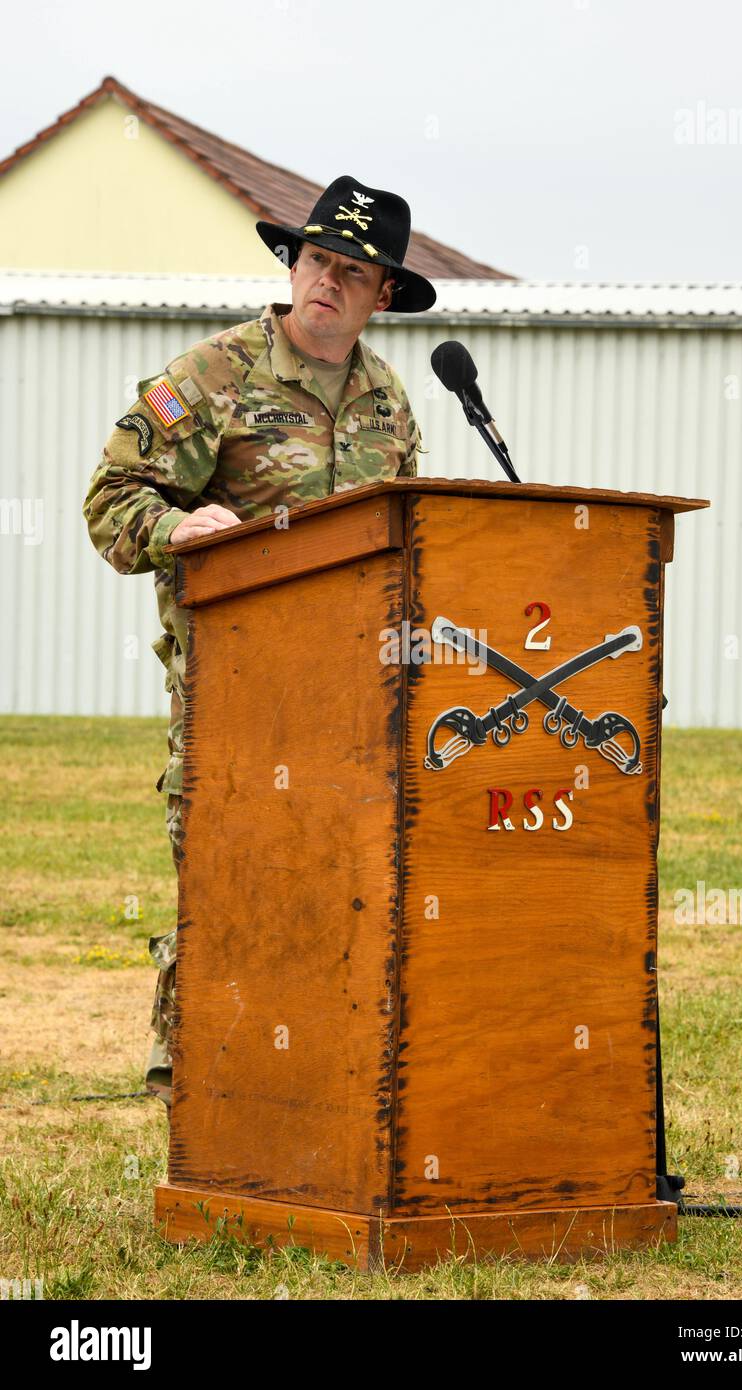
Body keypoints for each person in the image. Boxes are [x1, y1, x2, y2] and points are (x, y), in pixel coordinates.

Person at [82, 175, 436, 1112]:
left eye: (354, 272)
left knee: (341, 894)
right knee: (228, 893)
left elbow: (410, 538)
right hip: (235, 693)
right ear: (293, 262)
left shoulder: (389, 402)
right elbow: (109, 504)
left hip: (356, 701)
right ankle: (195, 1095)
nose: (328, 282)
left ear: (384, 296)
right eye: (319, 259)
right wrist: (179, 529)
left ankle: (318, 1082)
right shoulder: (211, 376)